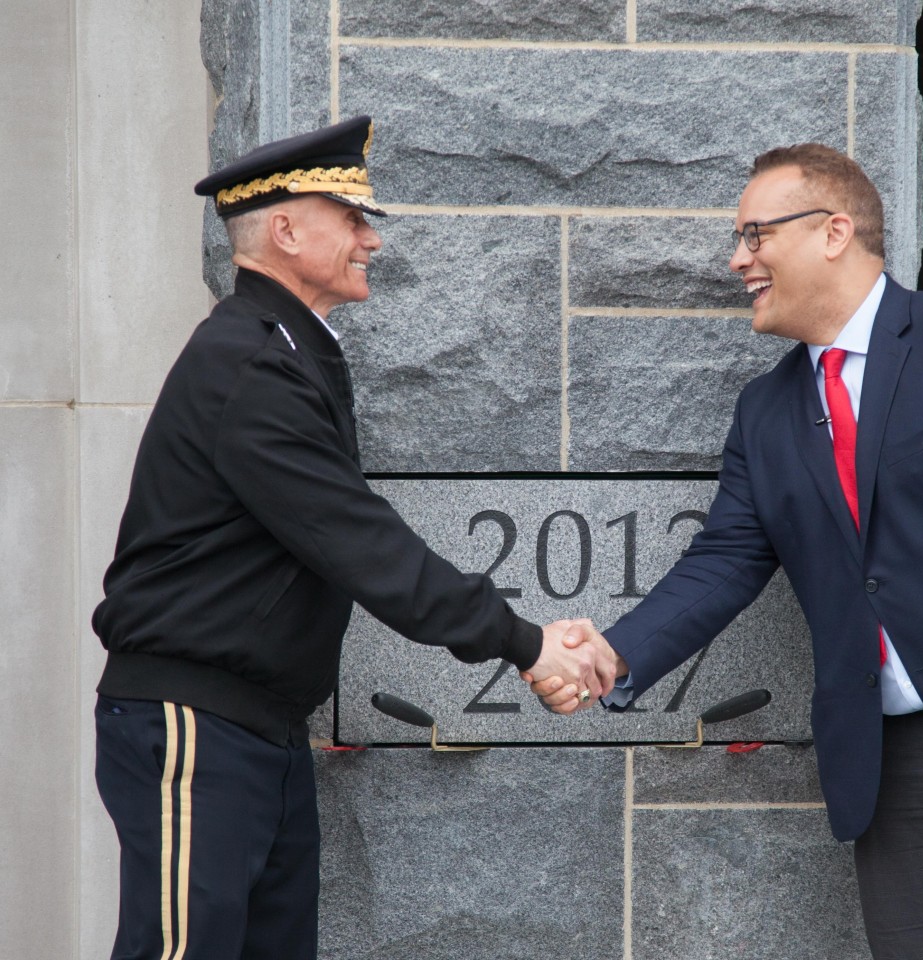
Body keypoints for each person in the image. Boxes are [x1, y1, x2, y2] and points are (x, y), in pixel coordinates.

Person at [530, 144, 923, 959]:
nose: (738, 260)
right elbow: (724, 560)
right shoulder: (765, 414)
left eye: (755, 235)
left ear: (835, 231)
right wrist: (616, 655)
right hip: (893, 767)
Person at [91, 116, 616, 960]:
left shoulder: (288, 351)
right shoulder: (250, 364)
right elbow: (361, 542)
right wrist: (524, 642)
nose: (372, 238)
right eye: (353, 217)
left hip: (255, 729)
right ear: (288, 229)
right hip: (198, 727)